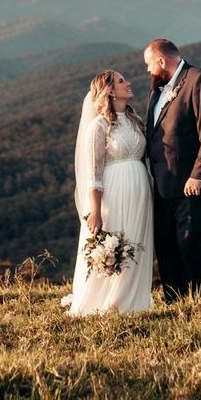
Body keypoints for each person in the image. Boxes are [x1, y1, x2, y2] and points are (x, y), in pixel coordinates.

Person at [63, 69, 154, 315]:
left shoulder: (134, 120)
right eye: (122, 81)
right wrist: (95, 211)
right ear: (110, 91)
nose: (129, 83)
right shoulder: (99, 126)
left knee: (137, 241)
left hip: (140, 192)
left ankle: (135, 300)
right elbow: (93, 173)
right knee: (115, 243)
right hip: (113, 193)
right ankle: (108, 301)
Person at [143, 38, 201, 300]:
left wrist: (198, 175)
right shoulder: (157, 89)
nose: (147, 71)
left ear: (161, 61)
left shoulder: (199, 80)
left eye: (148, 65)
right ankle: (173, 300)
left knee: (189, 240)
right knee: (165, 242)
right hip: (164, 183)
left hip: (193, 182)